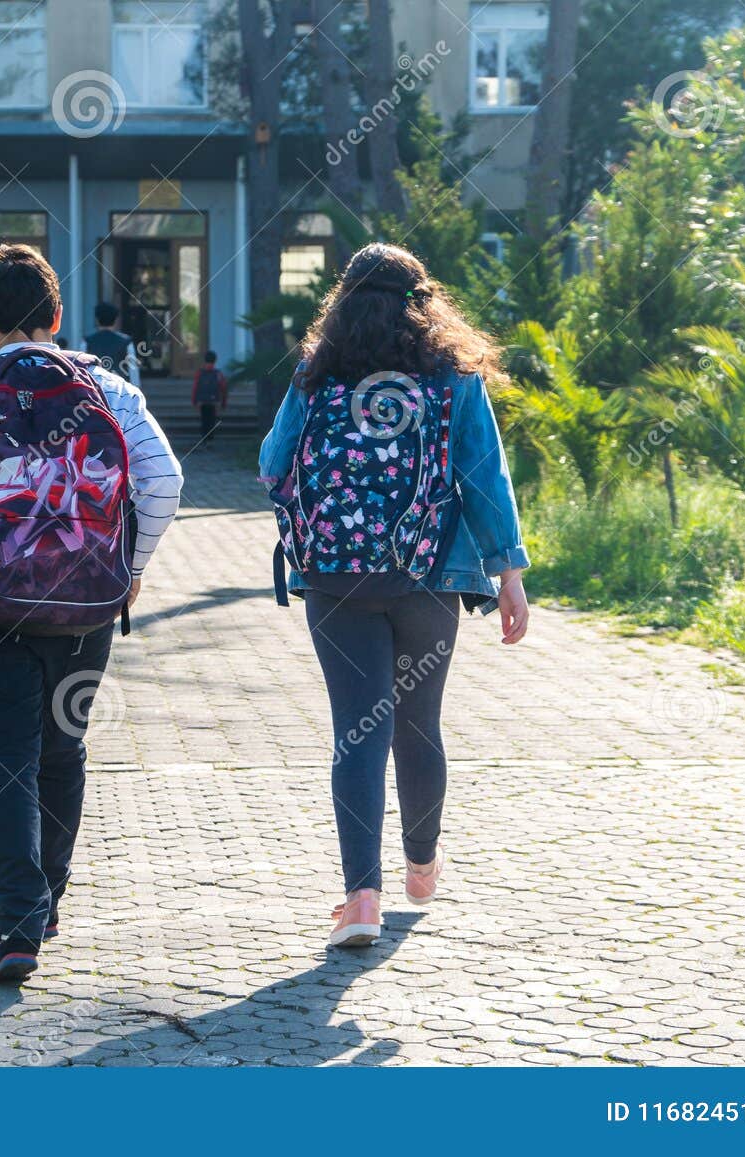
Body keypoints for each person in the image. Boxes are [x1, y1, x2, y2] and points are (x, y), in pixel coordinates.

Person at [0, 244, 183, 982]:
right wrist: (131, 569)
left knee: (4, 758)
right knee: (63, 749)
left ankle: (17, 921)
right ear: (56, 318)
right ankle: (48, 897)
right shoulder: (109, 389)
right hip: (86, 605)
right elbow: (166, 481)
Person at [258, 242, 530, 949]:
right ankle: (421, 861)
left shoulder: (317, 374)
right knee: (418, 725)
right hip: (428, 576)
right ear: (425, 302)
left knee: (357, 731)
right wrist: (509, 573)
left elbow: (270, 463)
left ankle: (361, 899)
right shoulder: (451, 379)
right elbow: (483, 479)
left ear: (343, 301)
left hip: (335, 578)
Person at [82, 301, 141, 388]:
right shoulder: (126, 342)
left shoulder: (87, 341)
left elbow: (81, 369)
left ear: (97, 319)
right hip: (119, 390)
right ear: (116, 319)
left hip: (94, 391)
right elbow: (133, 372)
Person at [191, 350, 228, 440]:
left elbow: (195, 387)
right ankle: (210, 438)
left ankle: (204, 439)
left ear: (205, 360)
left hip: (202, 401)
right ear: (215, 360)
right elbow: (223, 388)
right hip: (214, 401)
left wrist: (194, 401)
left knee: (204, 419)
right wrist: (223, 402)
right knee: (211, 420)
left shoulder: (199, 373)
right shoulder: (218, 374)